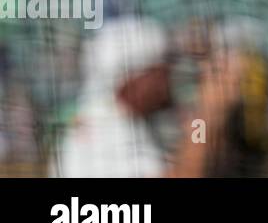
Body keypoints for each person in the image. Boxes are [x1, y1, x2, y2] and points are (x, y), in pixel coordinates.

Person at [52, 16, 250, 177]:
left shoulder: (113, 114)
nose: (166, 75)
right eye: (156, 69)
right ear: (129, 80)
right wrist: (206, 114)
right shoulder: (104, 125)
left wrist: (204, 122)